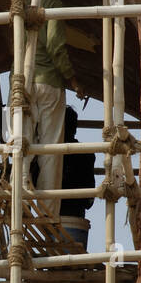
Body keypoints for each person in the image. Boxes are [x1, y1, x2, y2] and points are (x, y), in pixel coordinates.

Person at [24, 0, 94, 218]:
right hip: (50, 85)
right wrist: (74, 80)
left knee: (22, 141)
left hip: (20, 83)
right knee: (51, 150)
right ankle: (47, 211)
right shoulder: (52, 5)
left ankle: (19, 189)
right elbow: (55, 47)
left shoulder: (15, 7)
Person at [59, 106, 95, 249]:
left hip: (52, 216)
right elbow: (89, 200)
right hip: (77, 218)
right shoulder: (87, 154)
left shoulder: (47, 154)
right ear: (75, 128)